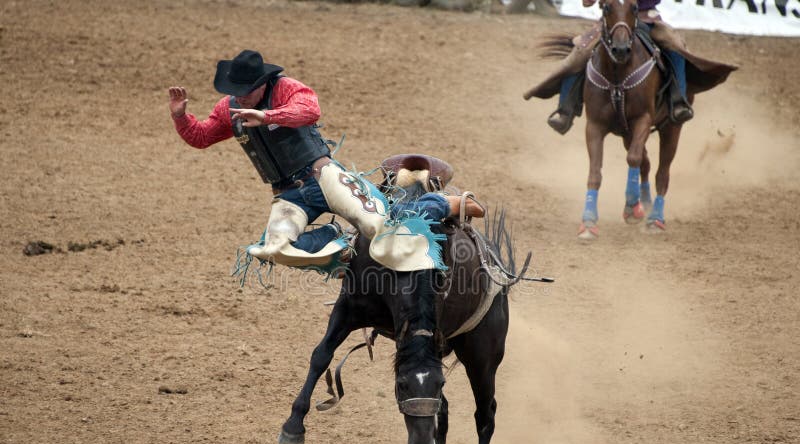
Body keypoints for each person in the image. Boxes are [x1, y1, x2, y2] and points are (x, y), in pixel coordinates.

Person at [169, 50, 483, 273]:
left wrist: (267, 116)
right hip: (288, 195)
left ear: (262, 83)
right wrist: (181, 117)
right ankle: (340, 242)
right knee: (273, 250)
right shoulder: (229, 108)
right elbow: (201, 136)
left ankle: (442, 203)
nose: (241, 97)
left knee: (378, 226)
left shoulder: (286, 88)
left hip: (324, 177)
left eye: (246, 91)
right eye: (236, 91)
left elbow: (309, 110)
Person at [525, 0, 734, 135]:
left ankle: (678, 99)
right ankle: (565, 109)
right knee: (580, 51)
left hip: (646, 17)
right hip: (614, 19)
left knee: (675, 47)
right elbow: (587, 2)